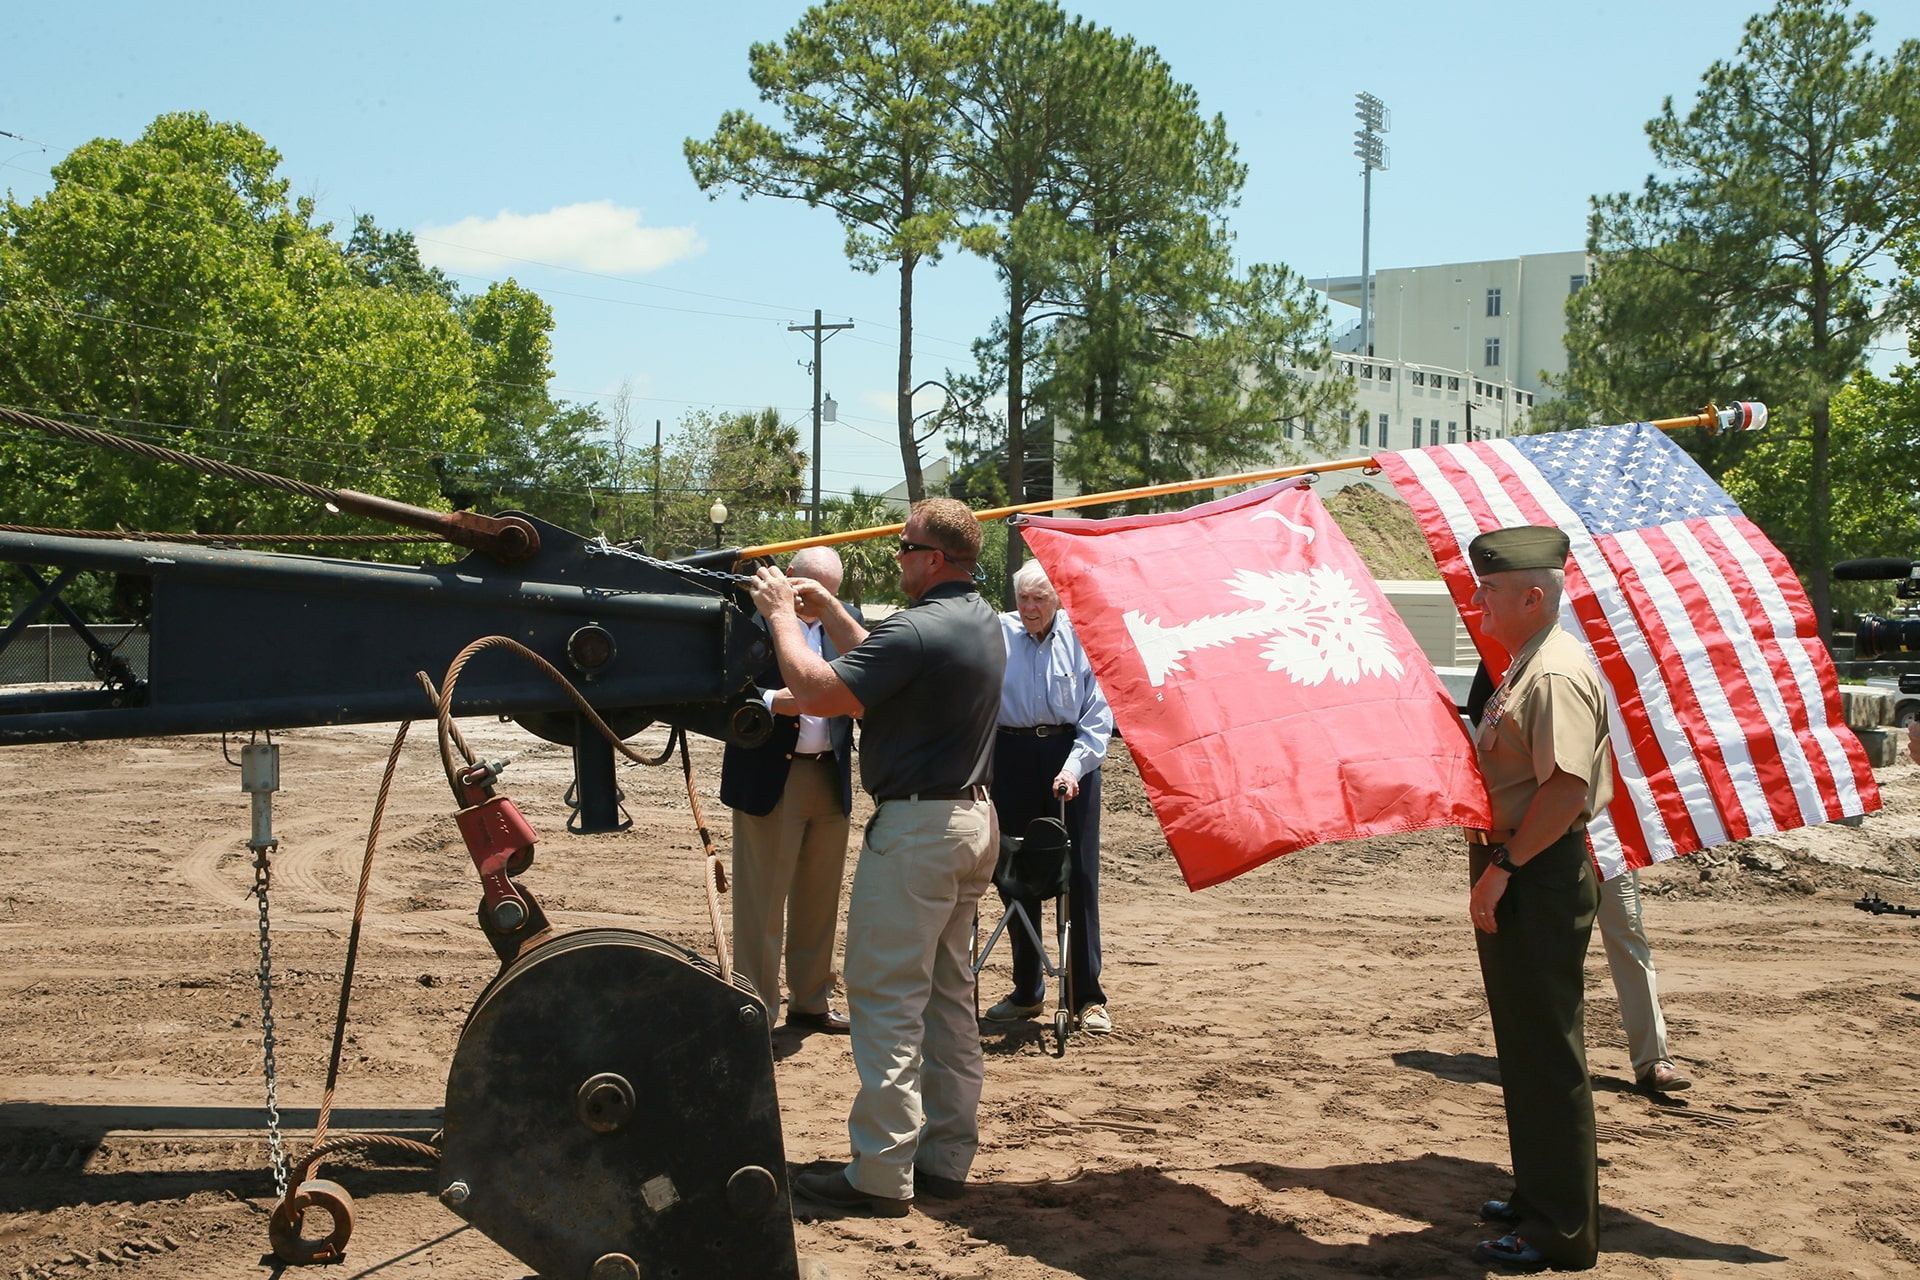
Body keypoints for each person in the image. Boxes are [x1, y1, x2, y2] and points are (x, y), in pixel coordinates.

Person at [745, 498, 1005, 1218]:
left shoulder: (920, 630)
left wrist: (781, 616)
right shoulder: (975, 620)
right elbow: (881, 668)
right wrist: (829, 609)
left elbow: (819, 690)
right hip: (971, 821)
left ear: (933, 559)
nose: (896, 555)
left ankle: (881, 1171)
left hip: (920, 832)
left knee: (887, 999)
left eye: (904, 544)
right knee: (951, 999)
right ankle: (946, 1157)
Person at [1463, 524, 1609, 1274]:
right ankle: (1538, 1193)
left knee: (1548, 1053)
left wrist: (1505, 868)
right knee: (1524, 1046)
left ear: (1533, 595)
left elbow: (1567, 790)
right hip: (1521, 866)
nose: (1477, 596)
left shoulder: (1552, 673)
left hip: (1537, 872)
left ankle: (1561, 1228)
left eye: (1489, 588)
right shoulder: (1526, 663)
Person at [1466, 663, 1690, 1096]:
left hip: (1604, 818)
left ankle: (1653, 1058)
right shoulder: (1521, 656)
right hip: (1542, 821)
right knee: (1542, 945)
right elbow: (1483, 711)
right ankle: (1546, 1058)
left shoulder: (1607, 636)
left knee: (1625, 929)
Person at [721, 546, 859, 1035]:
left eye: (826, 598)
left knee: (819, 899)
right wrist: (768, 700)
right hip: (770, 775)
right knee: (762, 903)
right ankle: (755, 1012)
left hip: (829, 773)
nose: (813, 606)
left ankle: (811, 1001)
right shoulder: (744, 619)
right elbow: (714, 691)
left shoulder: (847, 620)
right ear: (789, 577)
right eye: (806, 594)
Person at [982, 559, 1116, 1034]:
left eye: (1040, 598)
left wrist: (1073, 768)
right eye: (1023, 598)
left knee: (1077, 873)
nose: (1030, 607)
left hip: (1070, 754)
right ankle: (1027, 990)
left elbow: (1097, 718)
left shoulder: (1083, 639)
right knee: (1015, 872)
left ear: (1058, 598)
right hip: (1012, 757)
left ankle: (1087, 996)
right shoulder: (997, 632)